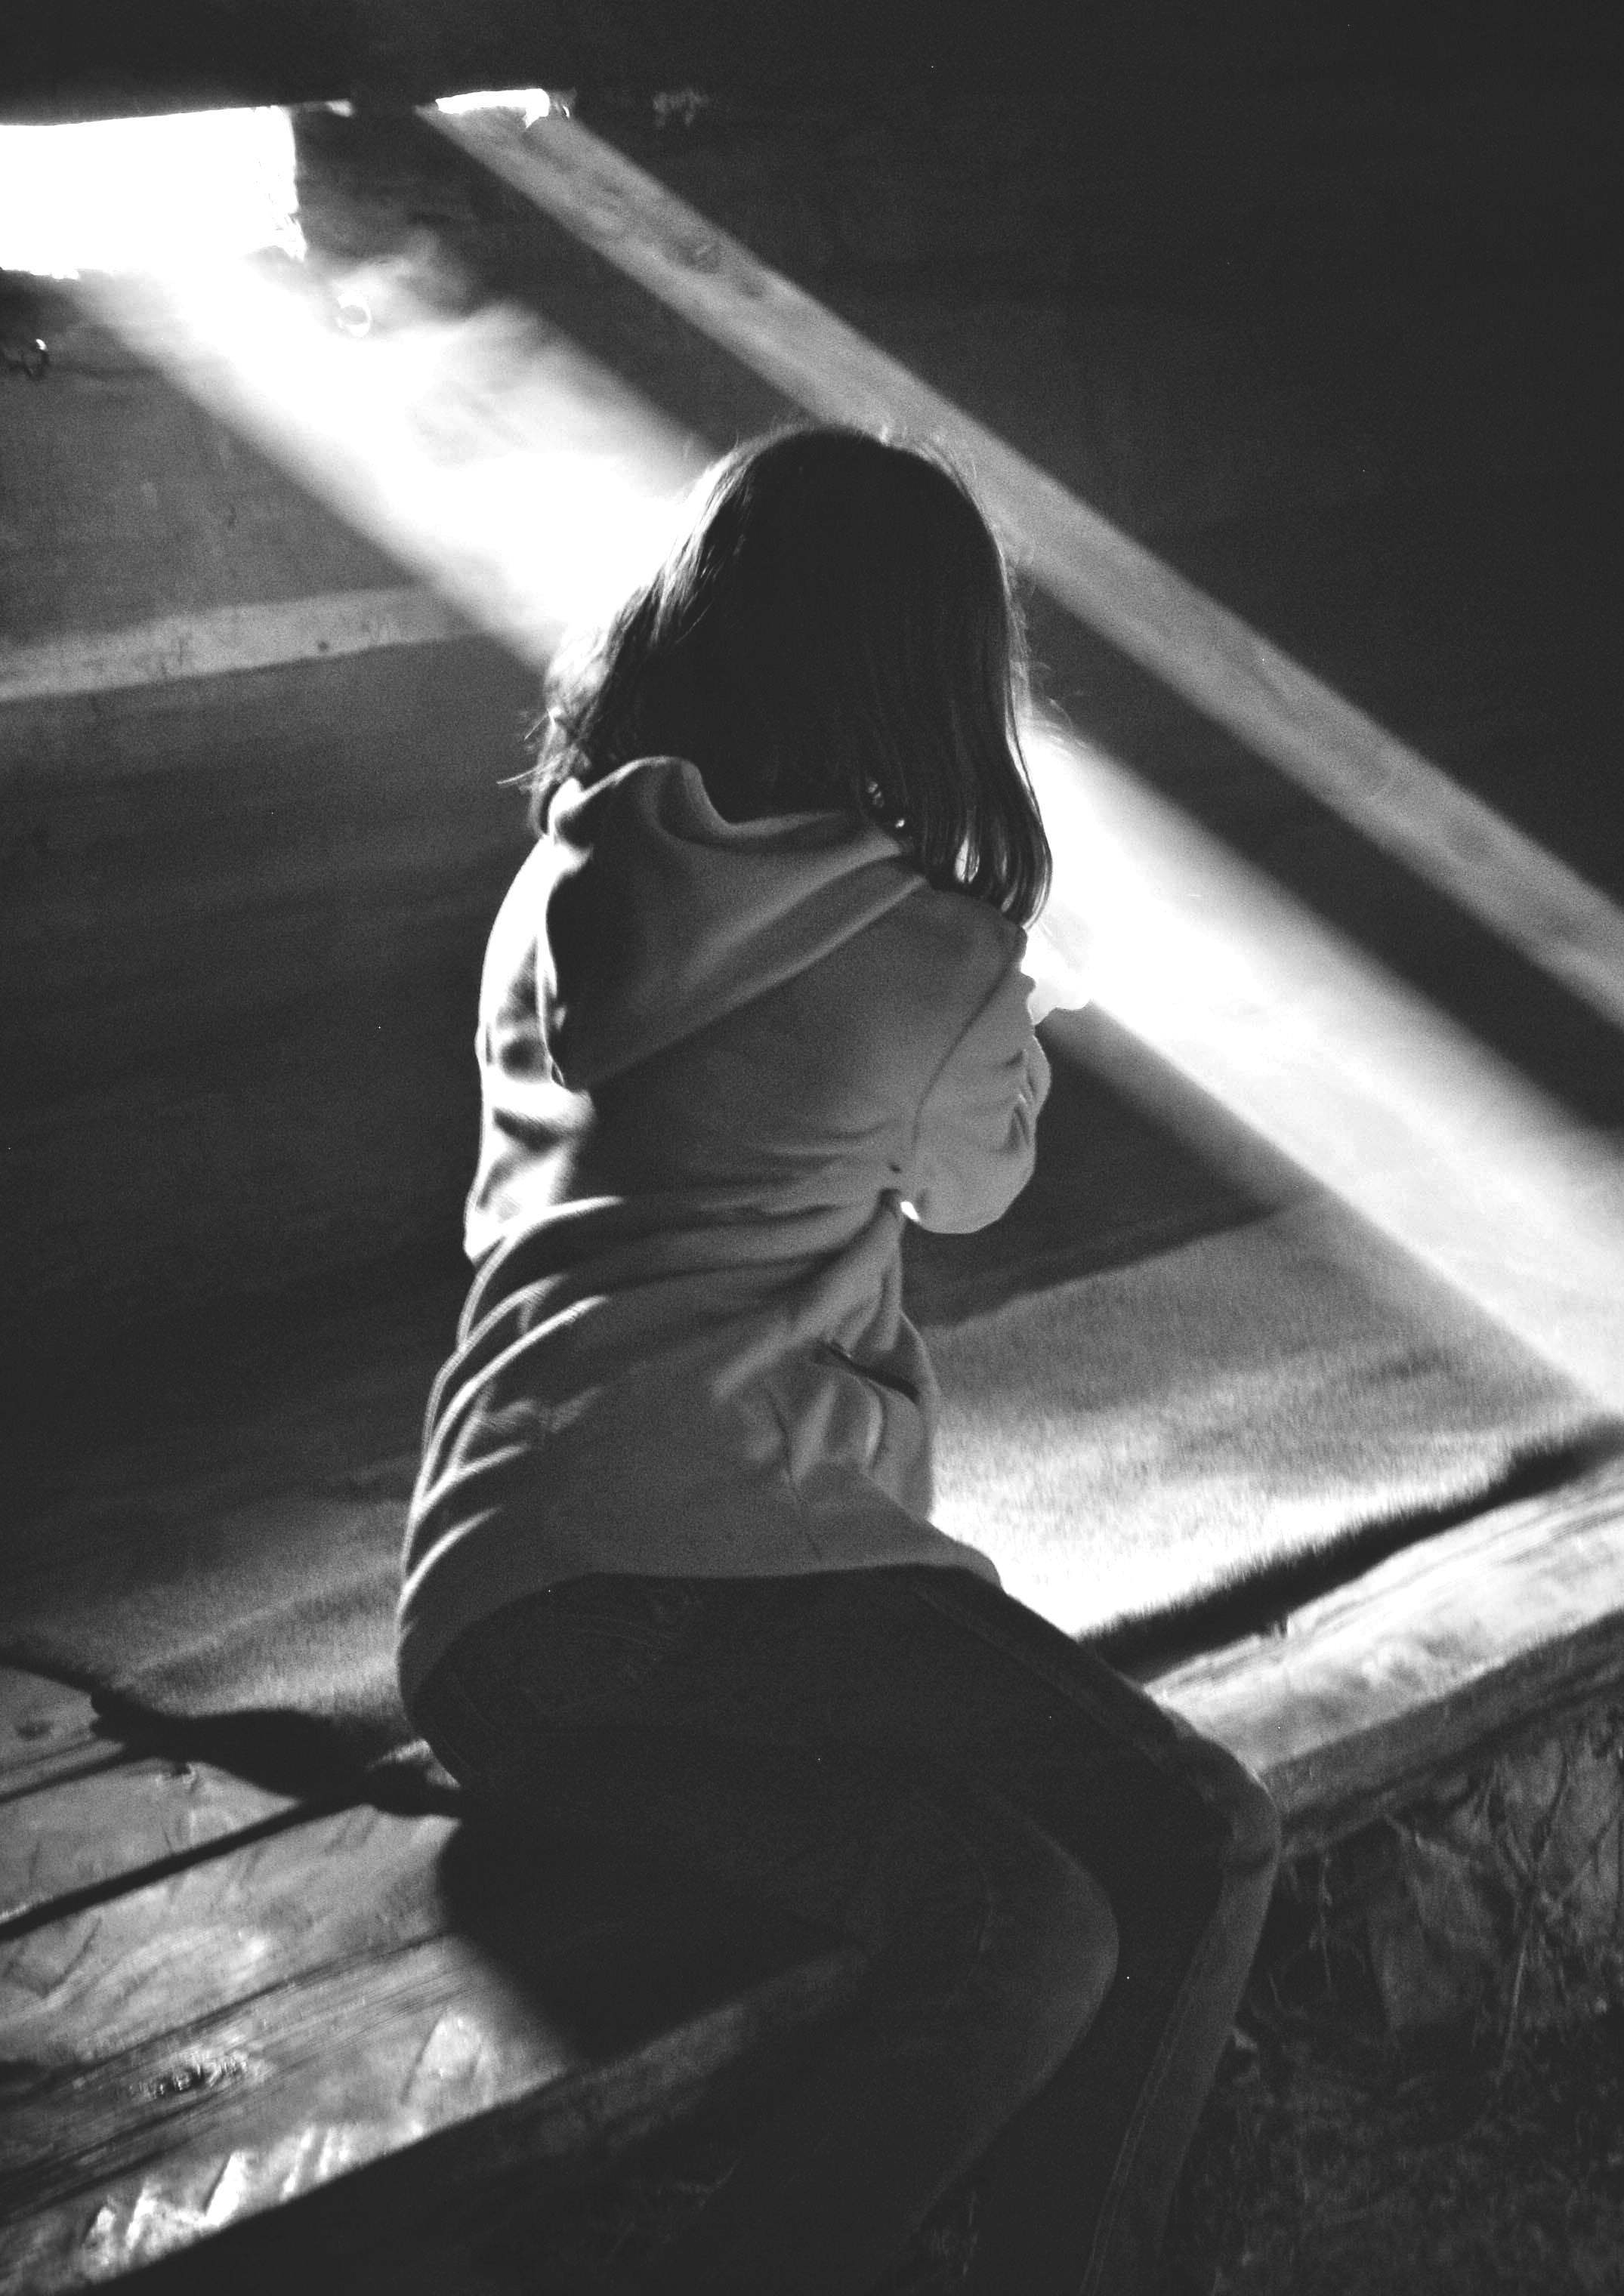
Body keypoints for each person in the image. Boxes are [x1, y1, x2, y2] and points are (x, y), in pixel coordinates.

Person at [397, 424, 1281, 2294]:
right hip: (739, 1567)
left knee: (1023, 1921)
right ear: (933, 677)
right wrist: (1018, 982)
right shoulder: (931, 947)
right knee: (1197, 1831)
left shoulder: (557, 888)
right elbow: (975, 1183)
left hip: (494, 1622)